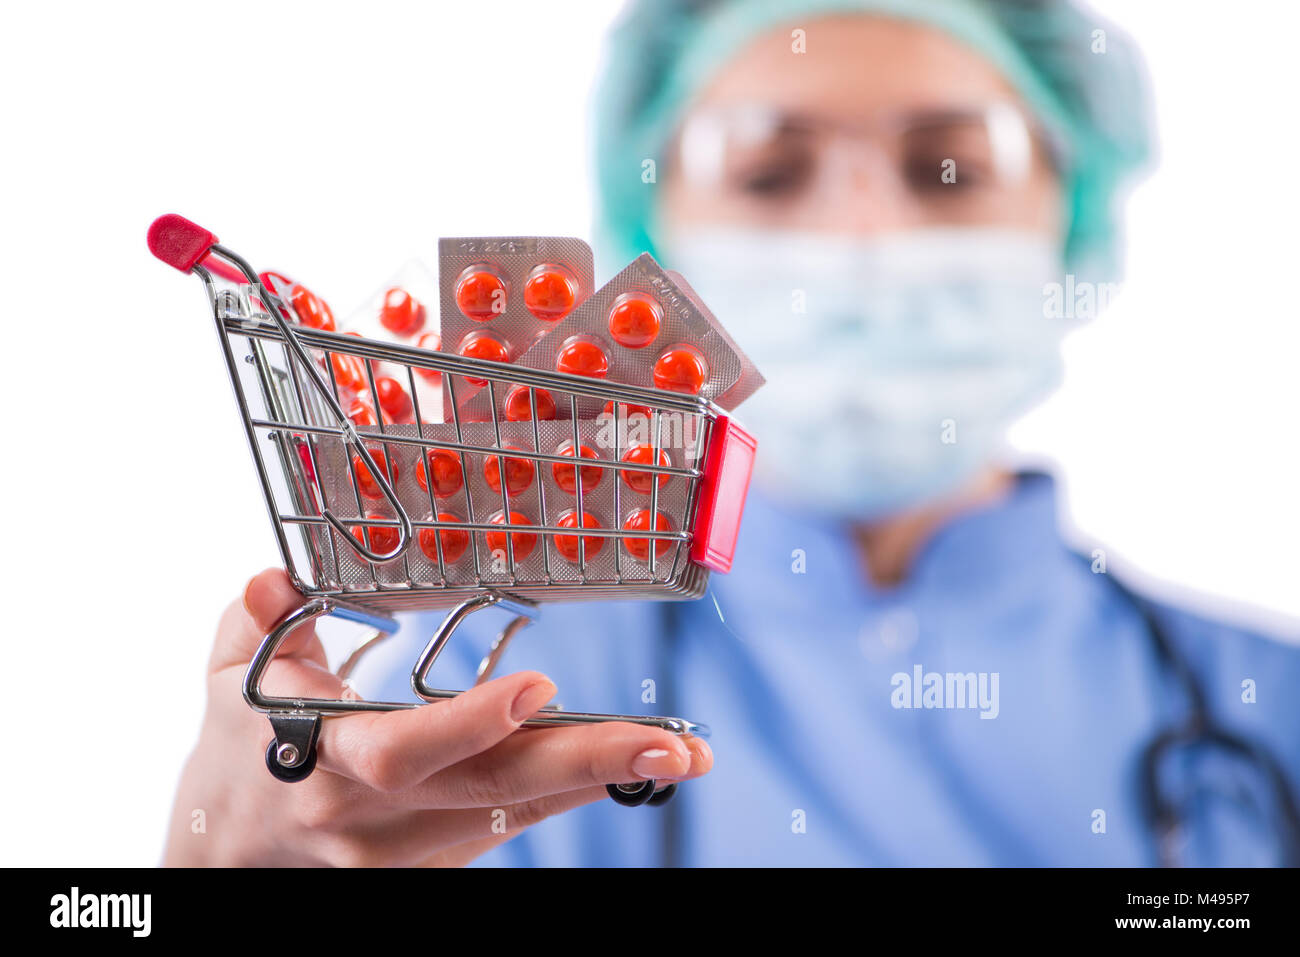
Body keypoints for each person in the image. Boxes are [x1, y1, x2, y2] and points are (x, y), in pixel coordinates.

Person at [165, 0, 1300, 867]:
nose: (862, 233)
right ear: (653, 246)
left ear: (1077, 218)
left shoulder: (1266, 702)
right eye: (767, 169)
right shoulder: (461, 704)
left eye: (947, 168)